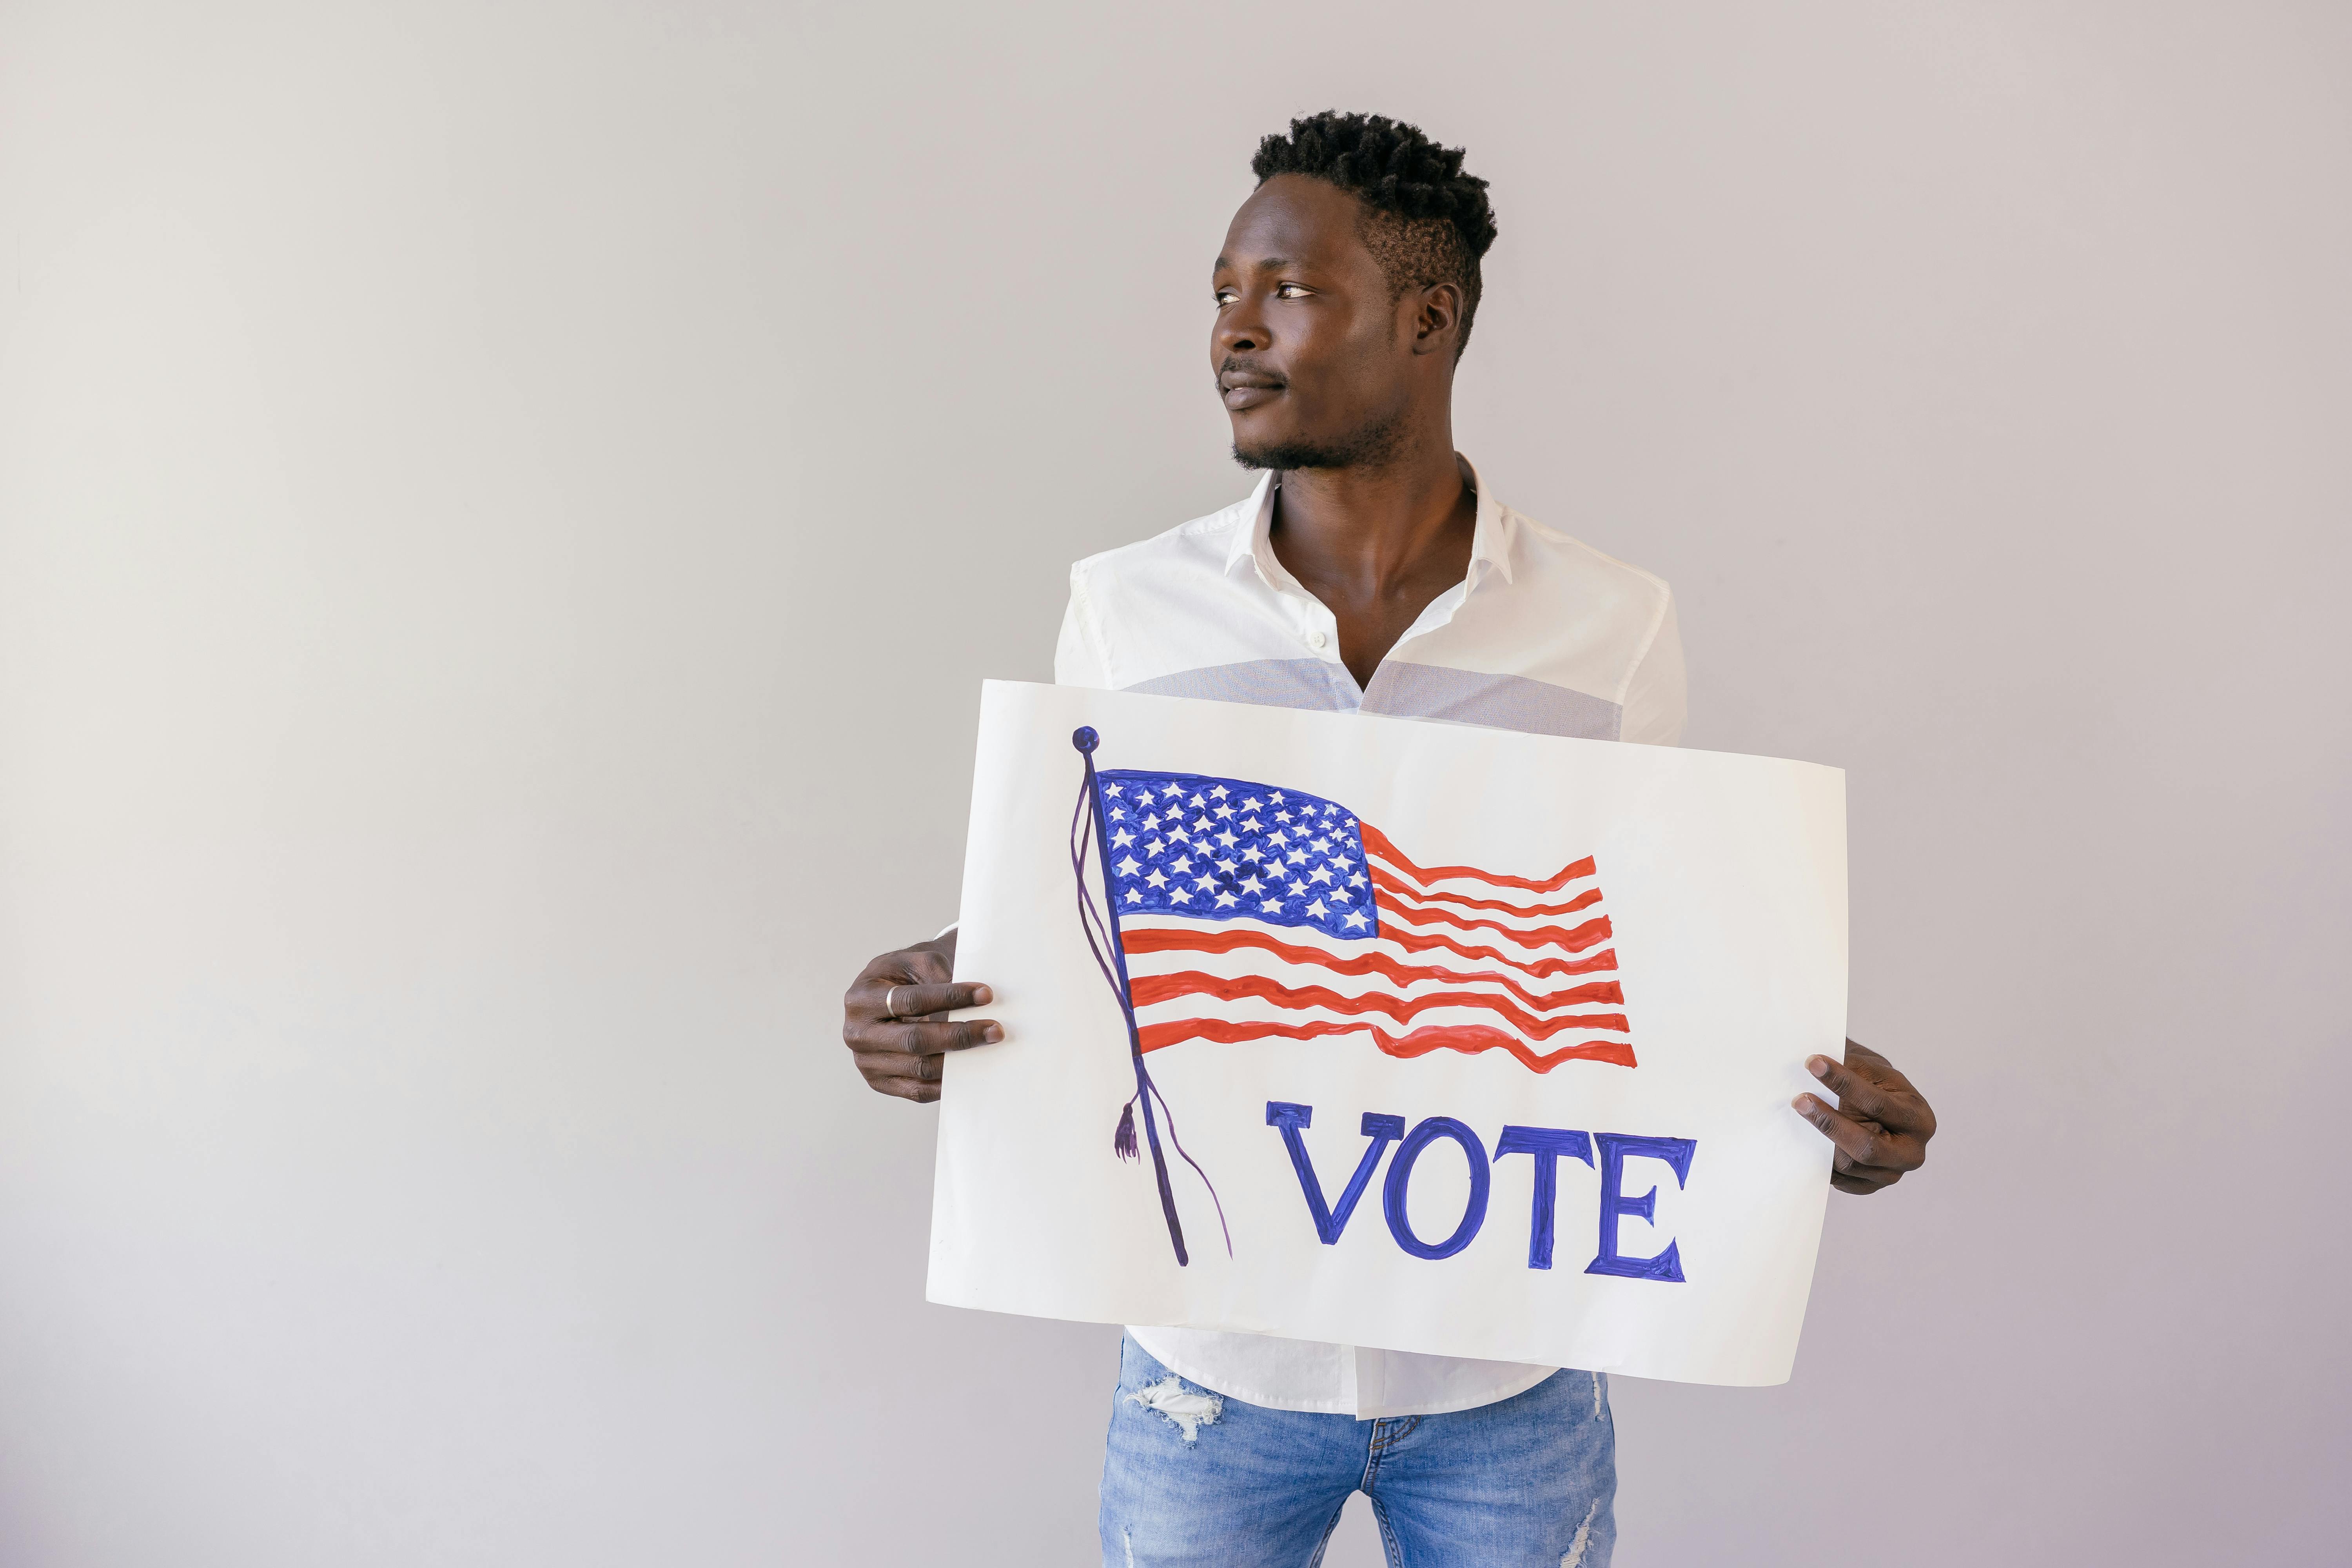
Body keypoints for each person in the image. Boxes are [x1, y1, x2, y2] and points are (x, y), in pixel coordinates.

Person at [840, 110, 1937, 1568]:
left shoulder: (1610, 627)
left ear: (1430, 318)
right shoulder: (1129, 612)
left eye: (1289, 290)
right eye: (1223, 292)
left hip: (1505, 1380)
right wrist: (935, 1006)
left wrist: (1797, 1120)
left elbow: (1634, 957)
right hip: (1211, 1371)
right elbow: (1099, 916)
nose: (1235, 330)